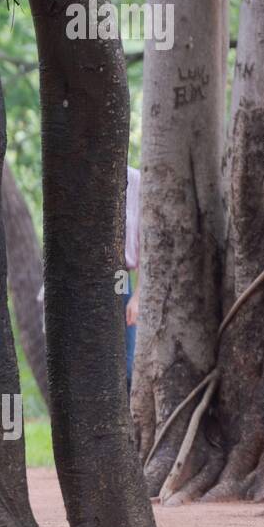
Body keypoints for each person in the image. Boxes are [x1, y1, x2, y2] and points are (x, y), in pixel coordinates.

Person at [123, 165, 141, 390]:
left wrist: (137, 296)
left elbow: (145, 240)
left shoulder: (134, 180)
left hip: (120, 276)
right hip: (86, 283)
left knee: (128, 368)